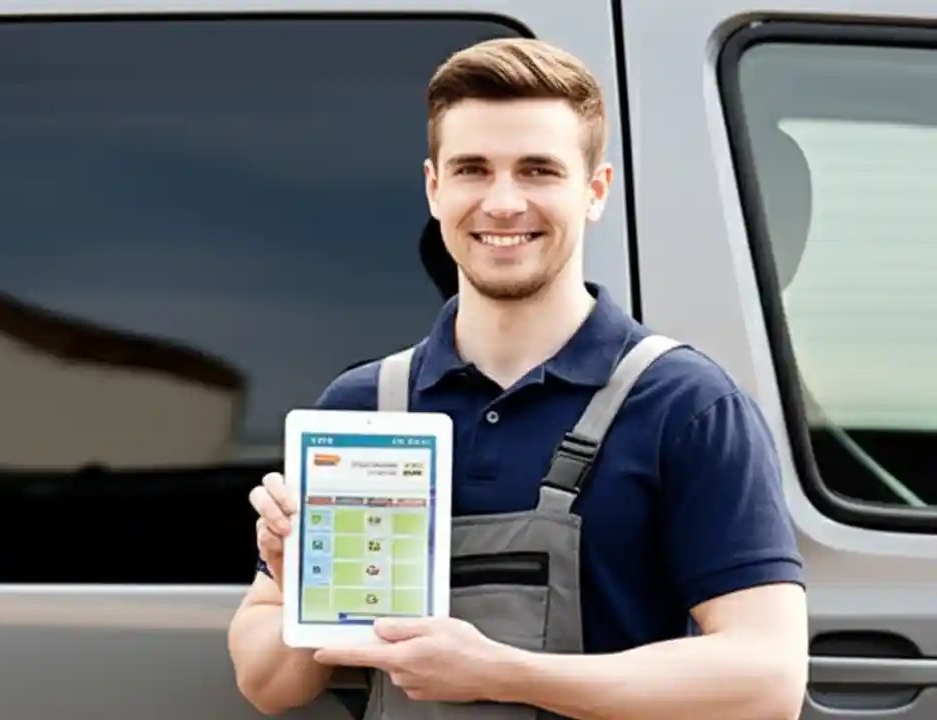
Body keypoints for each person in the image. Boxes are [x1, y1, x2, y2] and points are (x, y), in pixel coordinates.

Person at [226, 37, 808, 720]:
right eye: (473, 170)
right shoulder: (364, 409)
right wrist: (306, 583)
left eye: (537, 171)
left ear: (594, 191)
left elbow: (766, 679)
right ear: (434, 188)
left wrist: (501, 673)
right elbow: (267, 686)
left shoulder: (686, 407)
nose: (503, 203)